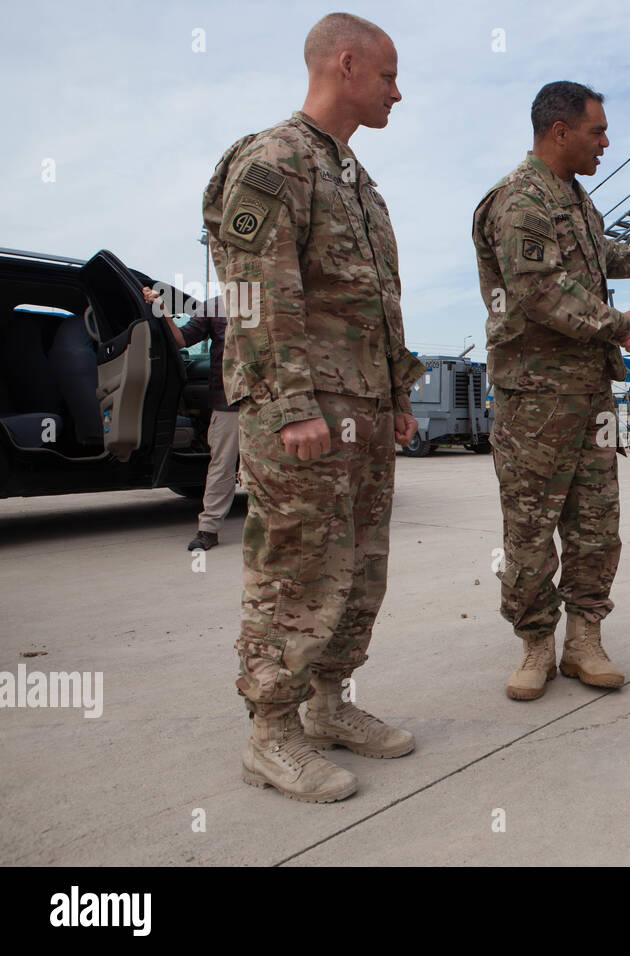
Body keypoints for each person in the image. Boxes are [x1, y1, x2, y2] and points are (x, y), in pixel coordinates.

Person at [201, 12, 426, 803]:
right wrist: (292, 403)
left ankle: (331, 705)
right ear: (346, 64)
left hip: (362, 407)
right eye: (389, 76)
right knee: (296, 568)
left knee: (360, 566)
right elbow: (257, 295)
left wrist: (399, 395)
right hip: (303, 409)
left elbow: (378, 303)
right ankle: (271, 732)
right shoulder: (275, 162)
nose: (399, 92)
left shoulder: (356, 181)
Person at [472, 81, 630, 701]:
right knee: (531, 527)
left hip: (590, 394)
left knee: (595, 523)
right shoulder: (519, 201)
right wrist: (625, 324)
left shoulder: (577, 201)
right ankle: (537, 645)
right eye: (597, 131)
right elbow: (543, 294)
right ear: (560, 131)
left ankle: (585, 639)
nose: (607, 143)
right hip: (535, 399)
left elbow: (599, 257)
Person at [142, 288, 237, 551]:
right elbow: (181, 339)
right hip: (229, 403)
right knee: (222, 467)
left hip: (270, 403)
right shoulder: (217, 307)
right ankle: (208, 529)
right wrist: (162, 309)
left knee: (276, 469)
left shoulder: (280, 303)